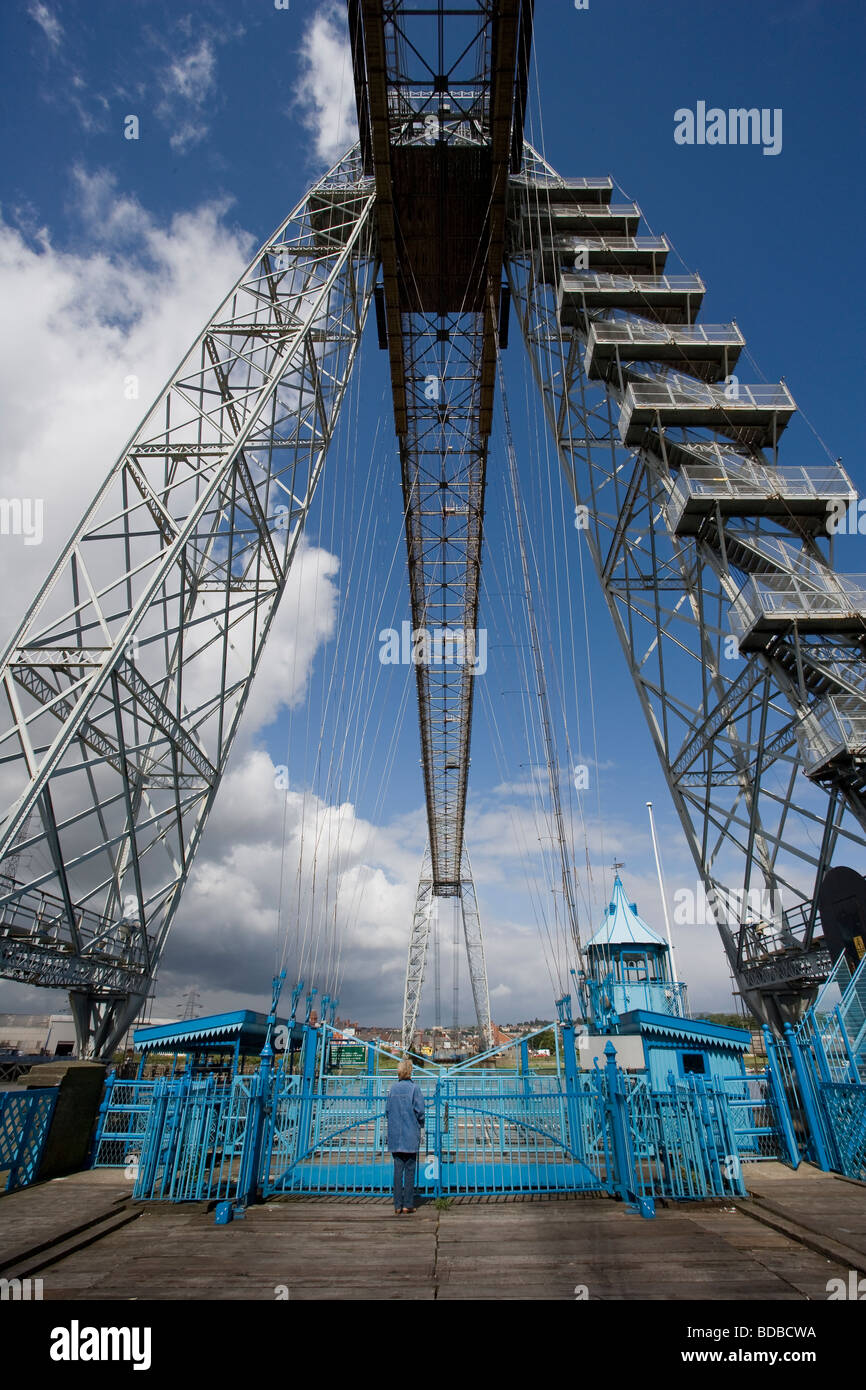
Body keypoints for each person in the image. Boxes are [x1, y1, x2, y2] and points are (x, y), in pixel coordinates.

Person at [385, 1058, 425, 1214]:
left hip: (395, 1135)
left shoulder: (392, 1089)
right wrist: (419, 1124)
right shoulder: (414, 1089)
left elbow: (387, 1111)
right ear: (410, 1071)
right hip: (410, 1134)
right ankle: (408, 1204)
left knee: (397, 1170)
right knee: (410, 1170)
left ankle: (397, 1205)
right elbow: (420, 1111)